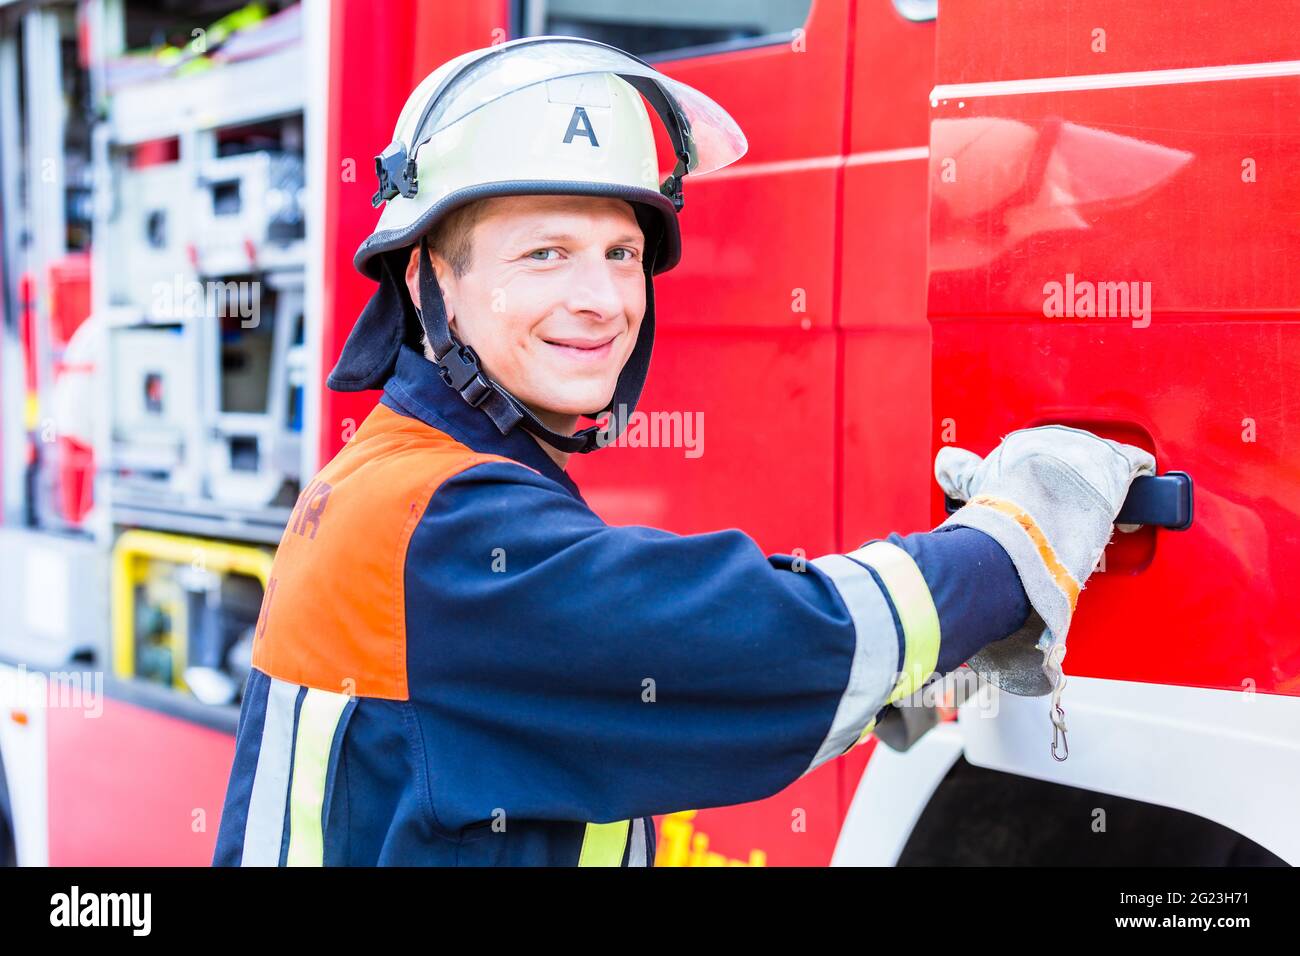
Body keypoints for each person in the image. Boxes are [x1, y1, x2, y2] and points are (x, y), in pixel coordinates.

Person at [212, 36, 1153, 866]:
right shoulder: (449, 525)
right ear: (430, 283)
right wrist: (1013, 542)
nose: (602, 299)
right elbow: (773, 645)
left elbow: (624, 677)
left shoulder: (400, 474)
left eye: (622, 253)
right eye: (544, 254)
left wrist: (899, 670)